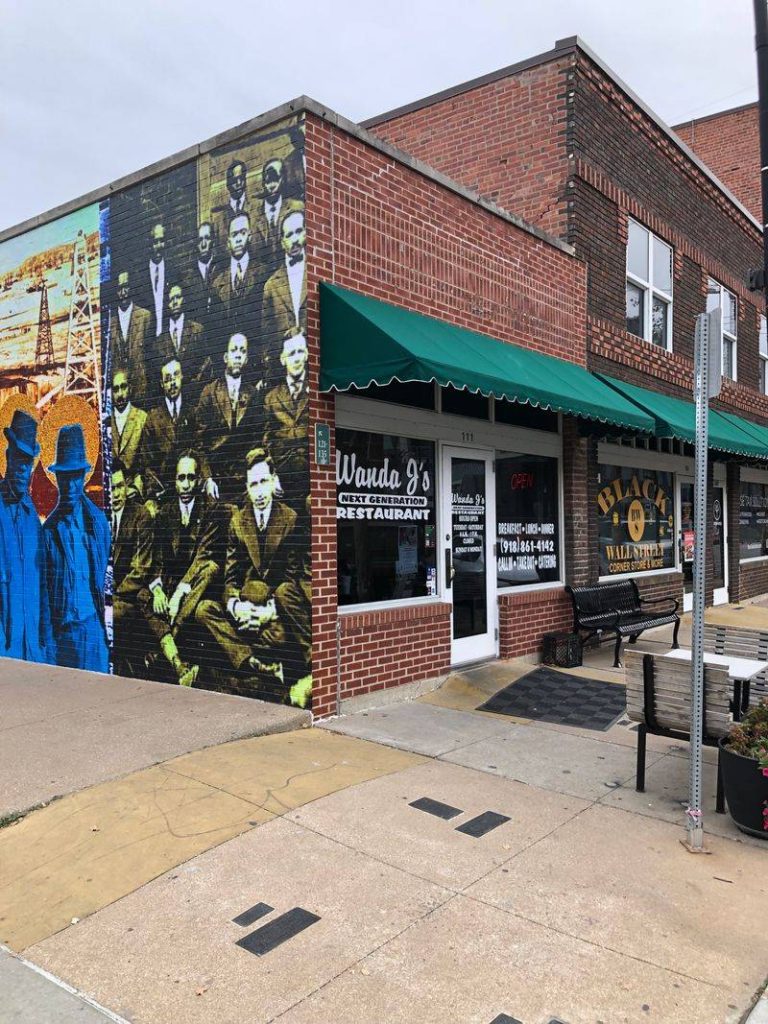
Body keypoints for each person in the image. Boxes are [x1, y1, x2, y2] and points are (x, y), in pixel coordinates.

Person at [196, 448, 298, 696]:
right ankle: (259, 665)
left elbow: (293, 580)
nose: (260, 491)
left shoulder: (290, 518)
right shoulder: (237, 522)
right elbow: (230, 579)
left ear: (273, 481)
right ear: (247, 487)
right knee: (204, 610)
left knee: (283, 634)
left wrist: (267, 613)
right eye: (253, 484)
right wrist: (235, 606)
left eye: (264, 482)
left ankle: (245, 664)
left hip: (271, 613)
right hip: (245, 609)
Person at [138, 452, 219, 687]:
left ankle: (166, 643)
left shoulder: (209, 510)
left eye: (191, 478)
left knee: (210, 568)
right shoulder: (165, 514)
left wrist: (180, 593)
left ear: (198, 481)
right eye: (181, 478)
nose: (185, 485)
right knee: (143, 595)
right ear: (174, 480)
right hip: (172, 584)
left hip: (195, 586)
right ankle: (178, 664)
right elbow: (157, 559)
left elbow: (204, 555)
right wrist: (159, 590)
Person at [43, 423, 110, 672]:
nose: (70, 486)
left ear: (83, 477)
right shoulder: (49, 532)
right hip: (64, 638)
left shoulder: (98, 523)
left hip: (93, 630)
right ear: (57, 478)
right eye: (64, 477)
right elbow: (45, 598)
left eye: (75, 477)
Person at [0, 409, 51, 662]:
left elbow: (42, 587)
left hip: (32, 649)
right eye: (18, 460)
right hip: (5, 649)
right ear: (8, 457)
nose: (22, 469)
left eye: (27, 463)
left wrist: (45, 647)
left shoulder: (32, 517)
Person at [194, 333, 261, 501]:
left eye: (242, 351)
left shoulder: (253, 394)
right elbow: (199, 442)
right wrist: (208, 479)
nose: (238, 354)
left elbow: (257, 439)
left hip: (244, 478)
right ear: (225, 357)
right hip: (216, 478)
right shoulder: (209, 392)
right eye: (234, 350)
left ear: (246, 359)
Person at [110, 458, 152, 675]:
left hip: (128, 598)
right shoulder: (99, 519)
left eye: (119, 487)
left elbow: (140, 570)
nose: (115, 494)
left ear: (126, 485)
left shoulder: (140, 515)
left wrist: (112, 597)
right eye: (110, 489)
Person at [141, 356, 198, 503]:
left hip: (191, 487)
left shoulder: (192, 411)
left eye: (176, 376)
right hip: (164, 493)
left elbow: (200, 450)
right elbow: (148, 466)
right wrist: (155, 494)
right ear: (161, 384)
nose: (172, 383)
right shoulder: (152, 419)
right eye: (167, 379)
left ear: (182, 376)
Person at [262, 330, 309, 509]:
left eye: (299, 352)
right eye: (291, 354)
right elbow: (266, 442)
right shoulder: (271, 398)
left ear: (306, 354)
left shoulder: (317, 390)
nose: (296, 358)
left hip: (310, 481)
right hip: (283, 483)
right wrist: (272, 477)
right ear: (283, 359)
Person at [261, 205, 306, 359]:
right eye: (289, 235)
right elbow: (268, 338)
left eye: (299, 232)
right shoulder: (271, 285)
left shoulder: (318, 272)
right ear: (282, 242)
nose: (294, 240)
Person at [210, 212, 261, 343]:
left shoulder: (262, 273)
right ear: (228, 242)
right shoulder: (217, 283)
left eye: (243, 233)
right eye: (234, 234)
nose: (238, 239)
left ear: (250, 236)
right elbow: (214, 331)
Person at [157, 282, 209, 404]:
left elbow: (206, 362)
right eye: (171, 299)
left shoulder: (197, 330)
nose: (175, 302)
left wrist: (195, 385)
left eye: (178, 297)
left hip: (194, 398)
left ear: (183, 299)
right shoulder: (159, 340)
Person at [111, 366, 147, 497]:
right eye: (115, 389)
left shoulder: (141, 418)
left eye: (123, 387)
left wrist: (137, 488)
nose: (120, 394)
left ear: (130, 388)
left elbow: (146, 463)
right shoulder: (105, 421)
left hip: (133, 494)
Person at [251, 158, 286, 274]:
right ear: (263, 182)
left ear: (283, 179)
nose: (272, 185)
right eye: (268, 180)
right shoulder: (253, 216)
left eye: (275, 179)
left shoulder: (295, 208)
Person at [185, 222, 218, 330]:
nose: (203, 244)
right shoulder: (188, 277)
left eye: (207, 238)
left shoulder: (222, 267)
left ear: (213, 241)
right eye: (200, 240)